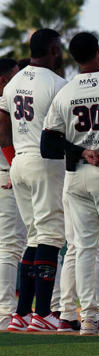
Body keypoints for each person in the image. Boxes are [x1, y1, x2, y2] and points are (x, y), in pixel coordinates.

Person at [41, 32, 99, 336]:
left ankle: (90, 319)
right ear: (98, 52)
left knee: (83, 248)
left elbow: (48, 144)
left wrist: (80, 150)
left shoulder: (65, 92)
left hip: (77, 175)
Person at [0, 29, 67, 332]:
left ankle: (21, 313)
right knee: (50, 237)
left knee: (33, 237)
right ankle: (42, 313)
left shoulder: (13, 82)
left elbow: (2, 131)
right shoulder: (57, 83)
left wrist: (15, 159)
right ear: (53, 49)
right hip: (45, 162)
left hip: (19, 162)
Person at [0, 58, 27, 330]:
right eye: (14, 76)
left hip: (10, 172)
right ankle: (5, 312)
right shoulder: (3, 103)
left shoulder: (11, 103)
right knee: (9, 246)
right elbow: (4, 137)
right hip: (6, 176)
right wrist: (13, 167)